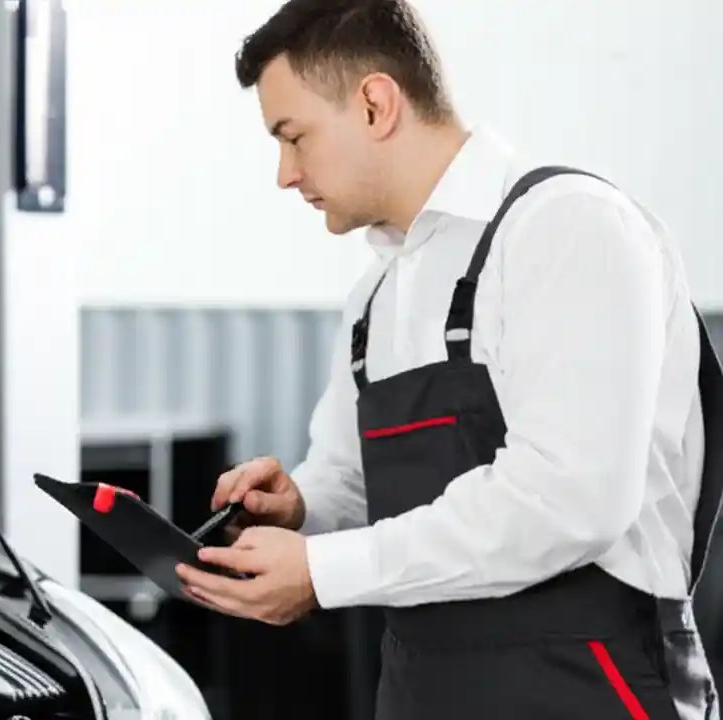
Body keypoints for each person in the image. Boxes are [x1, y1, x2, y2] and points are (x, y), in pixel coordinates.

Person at [173, 1, 723, 718]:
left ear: (375, 104)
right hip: (423, 689)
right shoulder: (377, 293)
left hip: (593, 688)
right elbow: (356, 487)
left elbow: (568, 502)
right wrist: (301, 511)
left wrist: (325, 571)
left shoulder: (568, 229)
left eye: (293, 136)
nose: (284, 173)